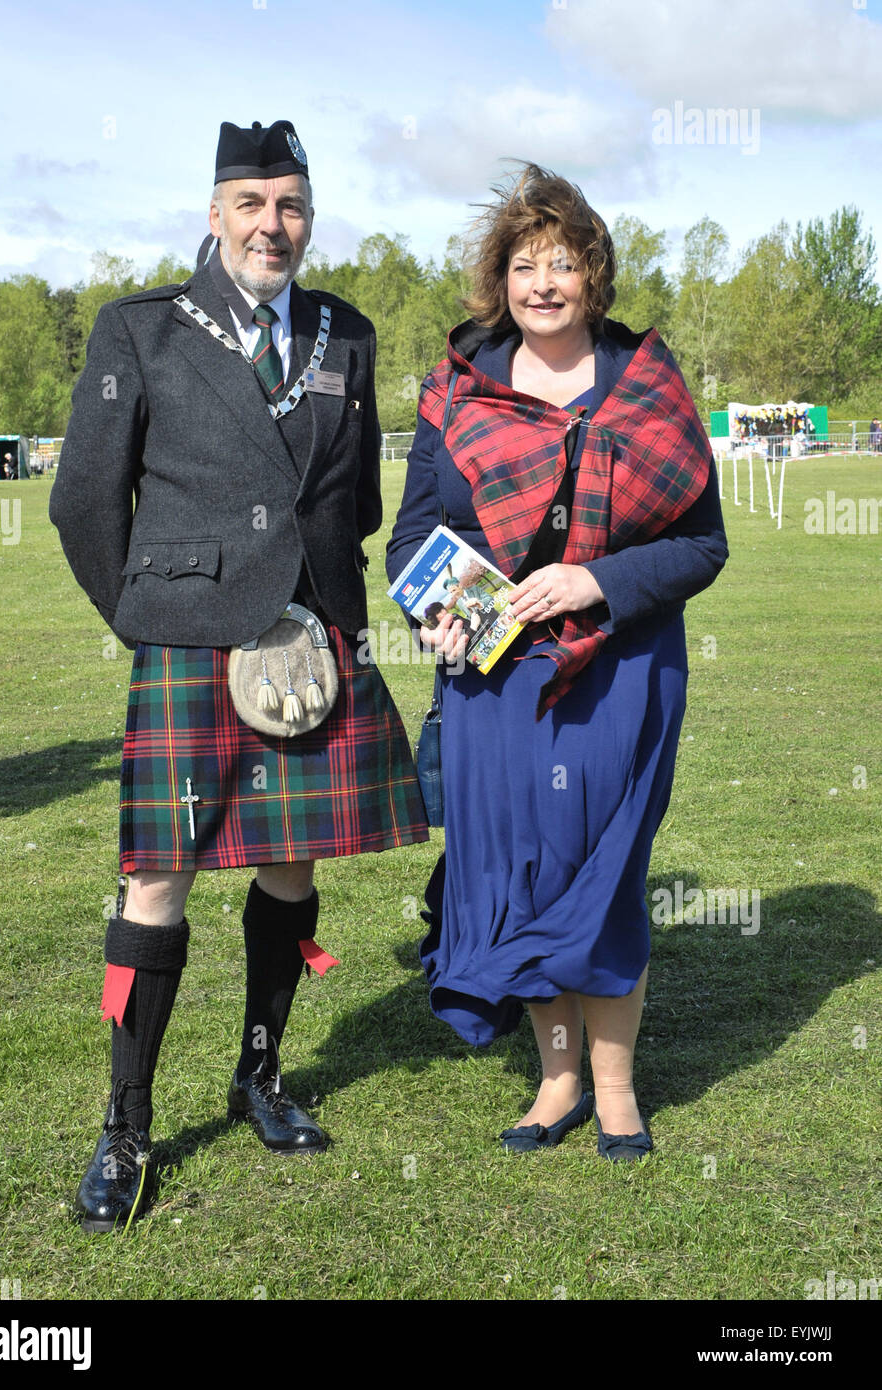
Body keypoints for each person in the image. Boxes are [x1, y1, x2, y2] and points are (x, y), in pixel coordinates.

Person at [50, 118, 429, 1232]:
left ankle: (260, 1073)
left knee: (292, 867)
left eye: (294, 206)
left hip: (313, 639)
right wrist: (151, 615)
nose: (275, 225)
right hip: (191, 637)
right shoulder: (144, 330)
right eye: (253, 205)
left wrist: (332, 604)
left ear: (310, 218)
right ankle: (125, 1125)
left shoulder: (344, 334)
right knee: (156, 880)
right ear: (215, 213)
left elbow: (353, 500)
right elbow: (85, 499)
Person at [386, 164, 728, 1160]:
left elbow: (703, 545)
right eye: (525, 264)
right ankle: (558, 1081)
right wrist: (439, 617)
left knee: (607, 872)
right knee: (532, 872)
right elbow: (412, 539)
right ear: (500, 279)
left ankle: (616, 1091)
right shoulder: (459, 390)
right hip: (497, 677)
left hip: (620, 667)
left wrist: (597, 583)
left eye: (564, 263)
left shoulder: (647, 385)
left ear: (593, 274)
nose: (544, 282)